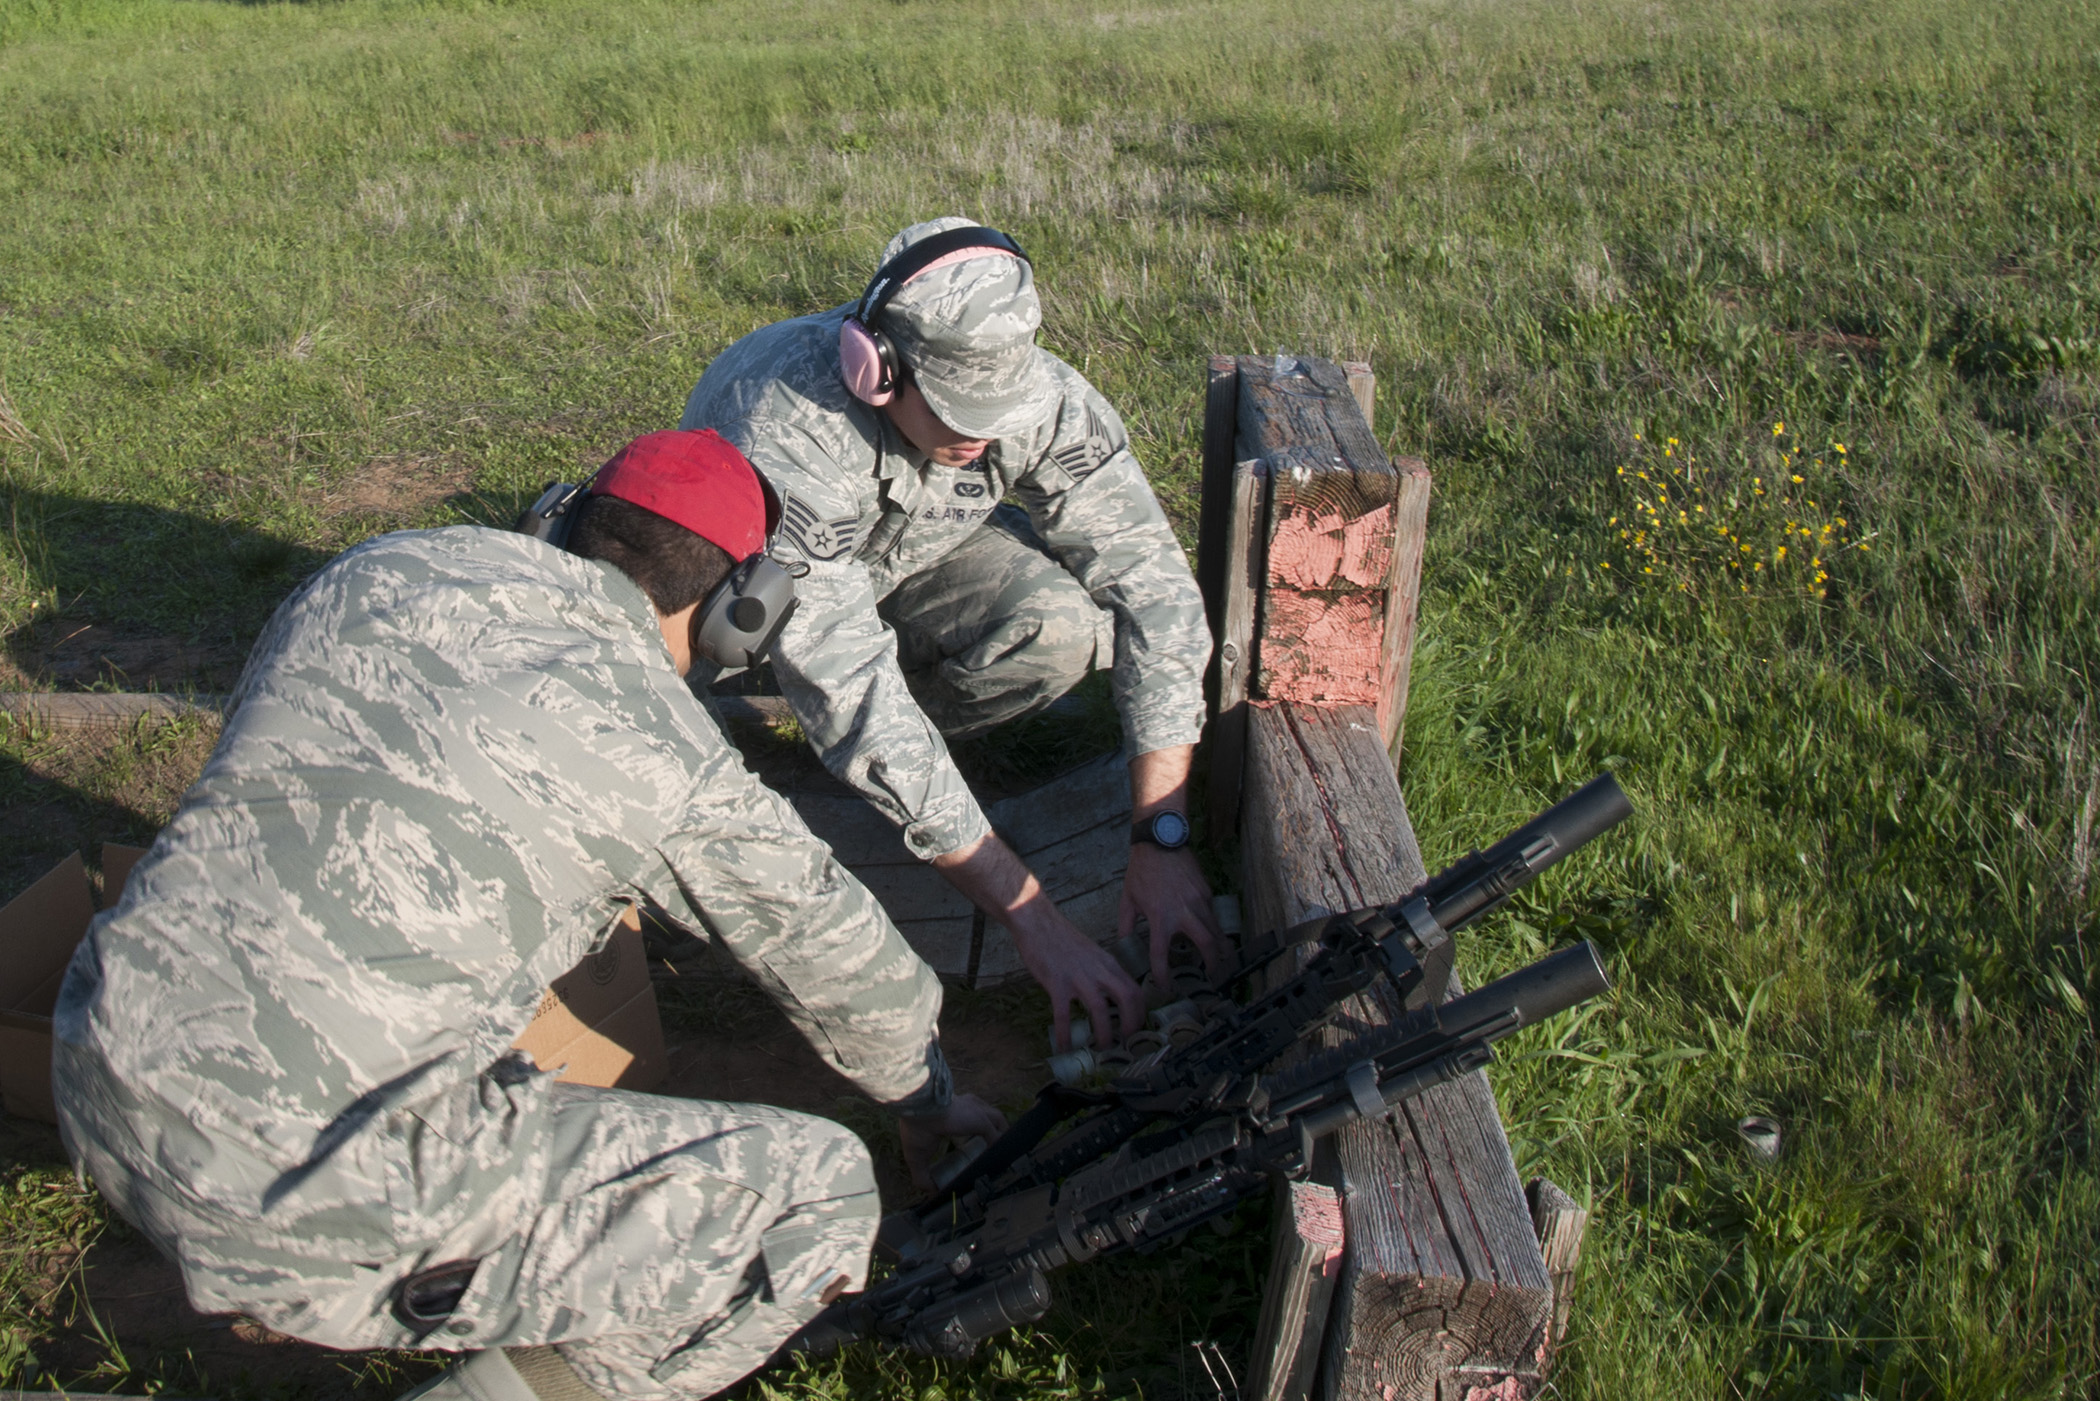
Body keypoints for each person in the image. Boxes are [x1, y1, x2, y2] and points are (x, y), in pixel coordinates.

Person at [52, 430, 1005, 1401]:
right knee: (817, 1198)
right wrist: (923, 1096)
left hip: (94, 1045)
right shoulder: (663, 749)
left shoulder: (378, 567)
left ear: (560, 516)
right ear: (737, 614)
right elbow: (831, 947)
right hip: (280, 1173)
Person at [680, 217, 1220, 1050]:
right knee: (686, 738)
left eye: (1003, 412)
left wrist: (1162, 832)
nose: (986, 434)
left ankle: (917, 775)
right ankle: (770, 717)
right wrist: (1033, 920)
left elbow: (1154, 588)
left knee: (1055, 626)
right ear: (878, 372)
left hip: (909, 571)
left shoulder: (1042, 401)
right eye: (963, 413)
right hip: (743, 595)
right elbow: (854, 690)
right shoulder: (790, 428)